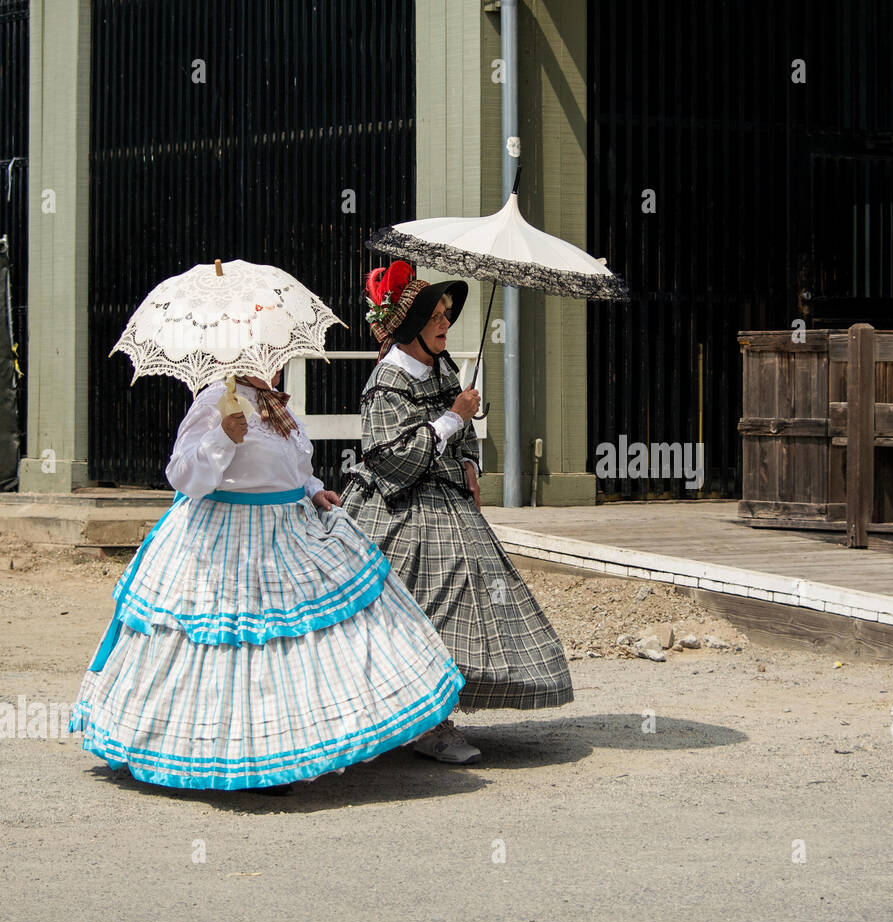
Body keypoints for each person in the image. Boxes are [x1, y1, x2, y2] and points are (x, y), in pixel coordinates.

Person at [70, 369, 466, 791]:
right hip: (226, 540)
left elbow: (293, 468)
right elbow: (184, 476)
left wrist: (313, 490)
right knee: (239, 648)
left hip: (286, 530)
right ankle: (231, 758)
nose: (273, 364)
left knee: (288, 648)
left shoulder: (277, 404)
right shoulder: (213, 401)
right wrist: (223, 436)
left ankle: (285, 750)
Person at [341, 262, 573, 764]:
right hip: (397, 510)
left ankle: (435, 716)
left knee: (470, 600)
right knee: (409, 607)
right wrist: (452, 419)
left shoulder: (442, 367)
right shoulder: (387, 382)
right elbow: (388, 455)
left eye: (447, 314)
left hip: (447, 502)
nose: (445, 323)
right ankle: (414, 723)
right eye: (436, 316)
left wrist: (467, 457)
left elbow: (461, 434)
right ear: (410, 327)